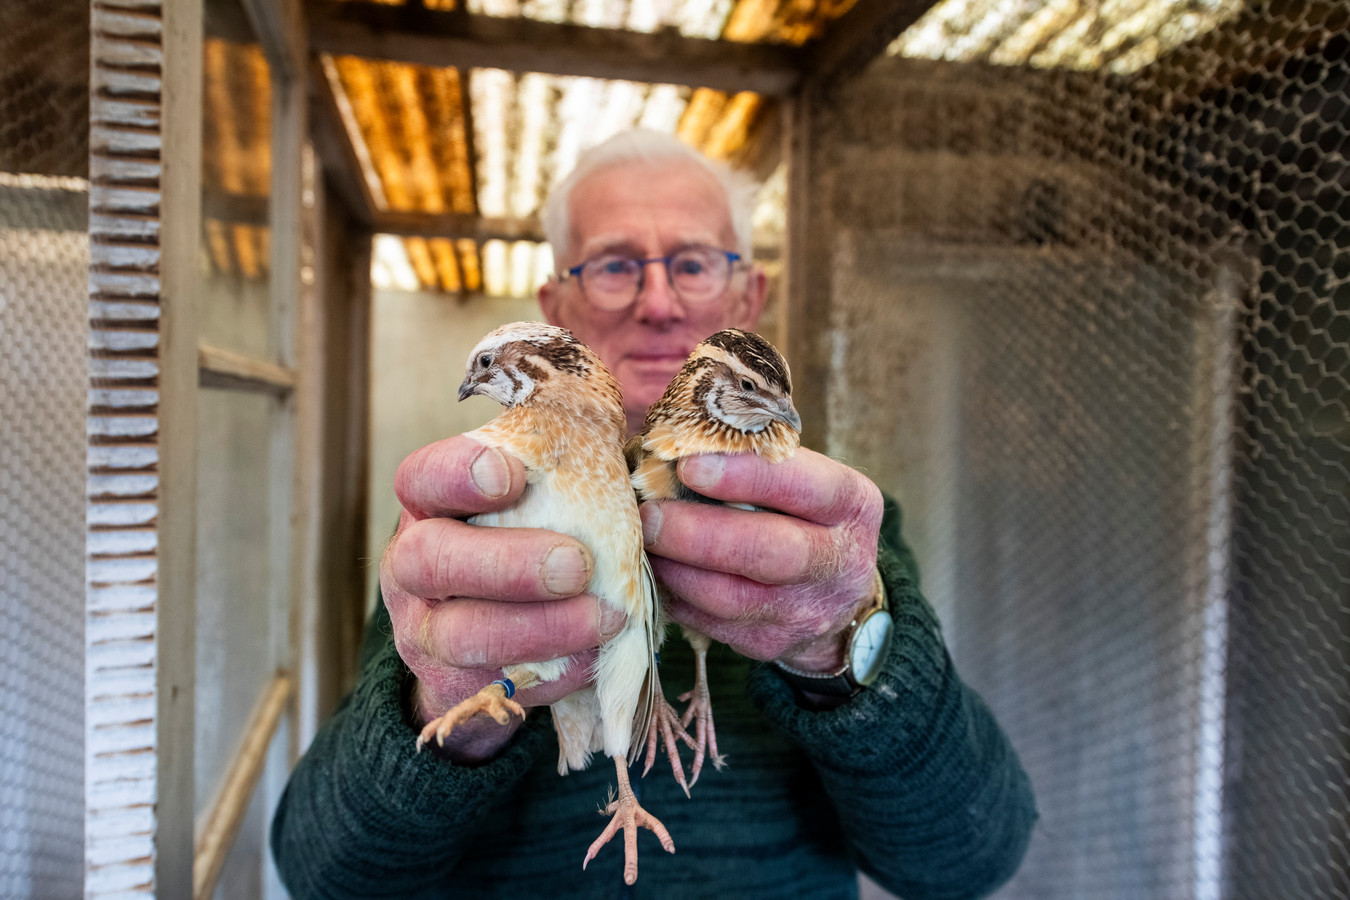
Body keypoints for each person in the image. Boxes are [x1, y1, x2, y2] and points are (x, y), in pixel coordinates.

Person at [271, 129, 1037, 898]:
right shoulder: (471, 514)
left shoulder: (834, 532)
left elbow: (968, 860)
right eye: (613, 266)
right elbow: (322, 874)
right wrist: (445, 704)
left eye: (695, 264)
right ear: (554, 308)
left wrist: (847, 647)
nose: (660, 303)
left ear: (749, 297)